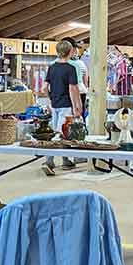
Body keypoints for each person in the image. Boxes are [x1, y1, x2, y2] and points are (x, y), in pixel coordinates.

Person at [40, 39, 83, 176]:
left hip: (55, 104)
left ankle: (65, 160)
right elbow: (73, 90)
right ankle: (49, 162)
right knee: (62, 134)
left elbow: (44, 87)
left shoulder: (52, 67)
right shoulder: (71, 68)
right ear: (70, 52)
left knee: (57, 132)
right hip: (66, 105)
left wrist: (51, 98)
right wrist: (78, 106)